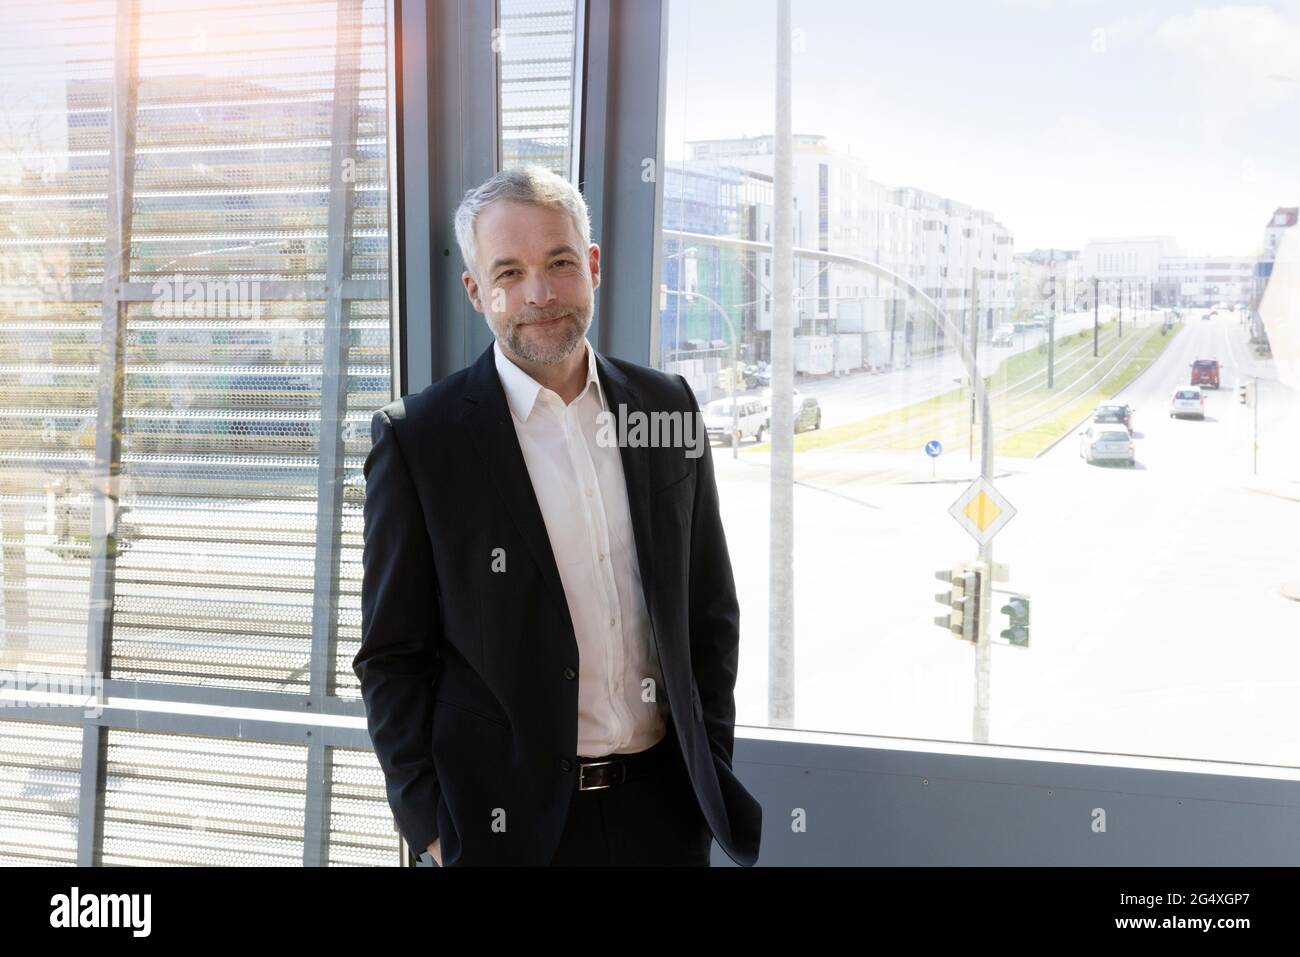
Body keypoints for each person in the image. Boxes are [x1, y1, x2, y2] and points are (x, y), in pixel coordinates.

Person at [352, 165, 762, 867]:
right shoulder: (421, 441)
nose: (538, 293)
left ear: (593, 267)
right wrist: (429, 826)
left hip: (664, 813)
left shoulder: (664, 409)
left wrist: (708, 759)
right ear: (477, 291)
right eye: (508, 271)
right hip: (507, 832)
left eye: (559, 263)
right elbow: (392, 658)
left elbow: (708, 612)